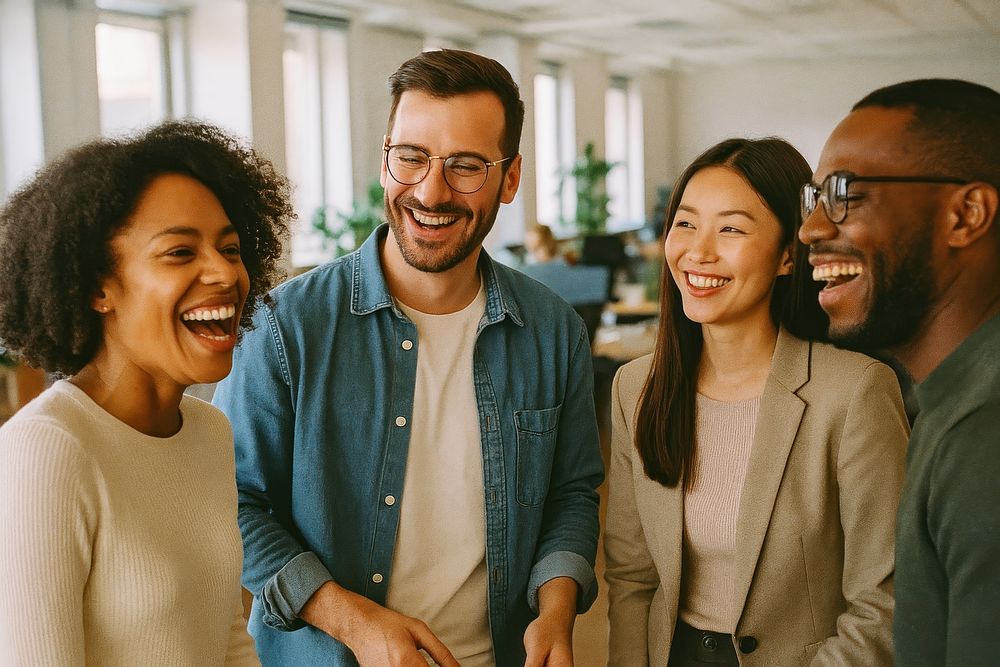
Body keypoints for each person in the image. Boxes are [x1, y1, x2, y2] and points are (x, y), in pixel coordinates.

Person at [213, 49, 603, 667]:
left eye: (466, 166)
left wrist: (556, 612)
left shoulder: (553, 332)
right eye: (411, 157)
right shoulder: (286, 327)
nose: (431, 190)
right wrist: (354, 621)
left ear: (510, 178)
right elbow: (233, 501)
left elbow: (572, 493)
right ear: (385, 157)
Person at [605, 137, 909, 666]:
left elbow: (885, 602)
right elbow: (633, 580)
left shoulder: (855, 392)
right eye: (685, 223)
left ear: (789, 254)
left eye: (731, 229)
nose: (699, 251)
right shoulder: (637, 387)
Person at [0, 120, 291, 664]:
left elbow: (227, 638)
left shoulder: (208, 432)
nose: (224, 272)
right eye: (180, 252)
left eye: (229, 248)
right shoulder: (47, 450)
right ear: (96, 287)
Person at [798, 78, 1000, 665]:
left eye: (846, 194)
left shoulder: (984, 434)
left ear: (966, 215)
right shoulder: (948, 399)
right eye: (813, 200)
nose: (811, 229)